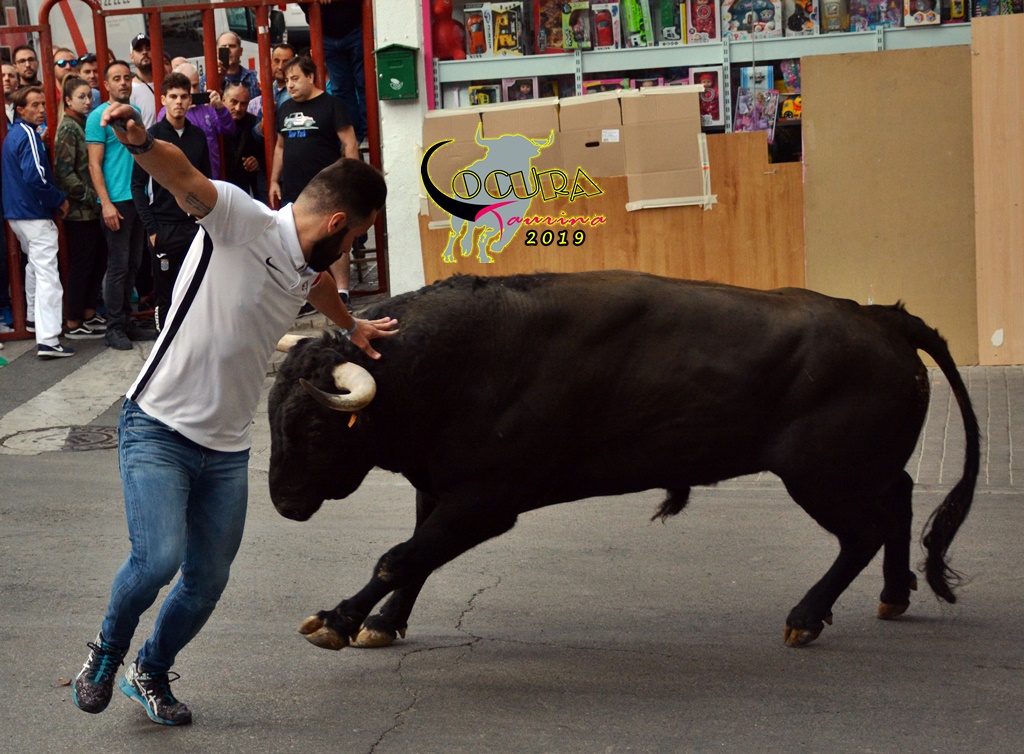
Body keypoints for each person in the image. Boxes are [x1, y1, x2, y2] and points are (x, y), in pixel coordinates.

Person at [72, 100, 397, 727]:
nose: (348, 247)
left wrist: (352, 325)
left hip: (225, 449)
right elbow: (185, 180)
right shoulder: (243, 222)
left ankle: (151, 669)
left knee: (207, 579)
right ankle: (106, 652)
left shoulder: (305, 265)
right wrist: (141, 146)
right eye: (352, 237)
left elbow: (318, 287)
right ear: (335, 221)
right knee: (157, 560)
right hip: (158, 426)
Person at [270, 55, 359, 306]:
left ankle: (342, 293)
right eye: (287, 80)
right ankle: (306, 295)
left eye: (295, 78)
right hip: (294, 188)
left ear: (311, 77)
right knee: (297, 242)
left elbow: (350, 142)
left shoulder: (332, 105)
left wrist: (350, 179)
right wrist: (274, 180)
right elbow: (279, 147)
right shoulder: (285, 108)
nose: (290, 85)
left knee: (335, 237)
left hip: (327, 187)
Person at [131, 72, 210, 331]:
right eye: (173, 97)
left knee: (199, 288)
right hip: (163, 227)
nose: (179, 102)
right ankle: (165, 348)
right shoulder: (151, 137)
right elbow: (137, 185)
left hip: (193, 227)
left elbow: (206, 180)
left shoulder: (198, 136)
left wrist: (206, 220)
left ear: (190, 100)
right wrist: (152, 229)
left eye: (184, 97)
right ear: (163, 99)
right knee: (165, 294)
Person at [87, 61, 154, 350]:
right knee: (117, 265)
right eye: (117, 78)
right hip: (116, 201)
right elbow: (94, 163)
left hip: (137, 198)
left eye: (127, 78)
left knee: (133, 264)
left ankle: (126, 322)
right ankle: (113, 327)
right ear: (106, 85)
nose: (124, 83)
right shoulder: (97, 117)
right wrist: (106, 203)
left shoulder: (134, 114)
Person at [1, 86, 73, 358]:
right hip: (34, 212)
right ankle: (49, 339)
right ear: (21, 110)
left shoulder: (14, 135)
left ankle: (33, 319)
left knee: (34, 266)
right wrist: (58, 199)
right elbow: (37, 177)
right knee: (47, 276)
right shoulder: (28, 134)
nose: (42, 109)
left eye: (43, 104)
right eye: (35, 105)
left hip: (17, 214)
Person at [54, 75, 107, 339]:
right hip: (79, 211)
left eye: (90, 96)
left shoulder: (83, 124)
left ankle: (88, 313)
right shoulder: (69, 128)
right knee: (83, 264)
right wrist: (91, 195)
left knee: (97, 260)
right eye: (81, 97)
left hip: (90, 209)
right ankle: (73, 320)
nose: (88, 101)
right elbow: (64, 173)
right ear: (68, 100)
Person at [302, 0, 367, 143]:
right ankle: (352, 138)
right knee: (342, 89)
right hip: (326, 31)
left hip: (353, 25)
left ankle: (366, 134)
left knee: (364, 82)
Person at [164, 63, 234, 180]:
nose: (192, 90)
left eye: (195, 85)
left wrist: (220, 109)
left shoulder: (208, 108)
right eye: (187, 87)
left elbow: (228, 128)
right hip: (182, 179)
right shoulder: (168, 110)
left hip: (210, 177)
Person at [222, 83, 261, 197]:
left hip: (246, 187)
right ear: (223, 100)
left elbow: (264, 150)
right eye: (234, 102)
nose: (238, 108)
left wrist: (257, 161)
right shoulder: (213, 123)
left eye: (243, 104)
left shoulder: (253, 123)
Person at [246, 43, 295, 121]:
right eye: (276, 61)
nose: (280, 67)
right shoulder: (268, 91)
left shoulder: (297, 92)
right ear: (271, 62)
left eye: (286, 62)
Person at [217, 31, 260, 99]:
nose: (228, 50)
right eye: (224, 47)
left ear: (240, 51)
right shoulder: (207, 79)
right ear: (217, 52)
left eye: (232, 46)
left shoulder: (253, 77)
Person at [128, 33, 156, 127]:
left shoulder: (167, 82)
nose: (144, 52)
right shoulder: (129, 89)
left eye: (148, 48)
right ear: (131, 56)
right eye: (139, 50)